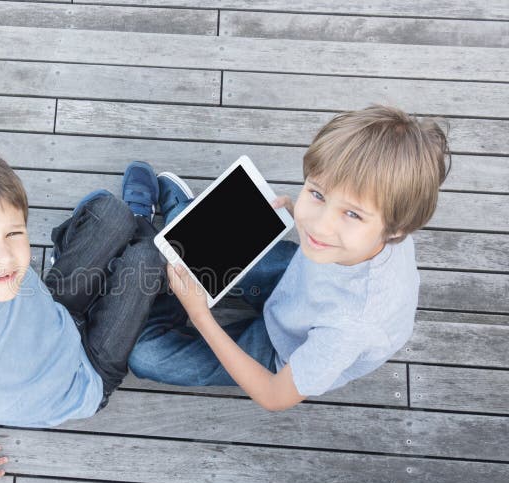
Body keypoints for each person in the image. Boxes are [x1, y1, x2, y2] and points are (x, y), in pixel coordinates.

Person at [129, 105, 450, 412]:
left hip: (285, 345)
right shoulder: (374, 229)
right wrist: (299, 215)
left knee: (145, 356)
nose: (320, 224)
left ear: (397, 230)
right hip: (296, 285)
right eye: (318, 194)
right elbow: (331, 226)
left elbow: (274, 396)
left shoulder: (352, 326)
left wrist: (200, 314)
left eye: (351, 213)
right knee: (200, 239)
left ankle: (169, 255)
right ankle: (177, 234)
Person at [0, 145, 165, 483]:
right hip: (84, 377)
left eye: (14, 233)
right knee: (147, 258)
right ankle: (146, 231)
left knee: (111, 212)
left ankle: (130, 233)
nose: (4, 255)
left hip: (54, 312)